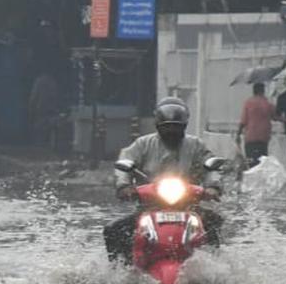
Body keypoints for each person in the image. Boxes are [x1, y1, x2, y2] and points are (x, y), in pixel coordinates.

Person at [103, 98, 223, 263]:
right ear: (158, 126)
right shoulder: (143, 144)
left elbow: (210, 166)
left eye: (176, 127)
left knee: (214, 221)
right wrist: (124, 186)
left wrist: (212, 187)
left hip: (189, 205)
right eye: (167, 127)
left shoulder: (196, 145)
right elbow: (125, 161)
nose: (172, 131)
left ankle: (213, 266)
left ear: (184, 126)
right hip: (149, 205)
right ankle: (120, 268)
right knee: (113, 229)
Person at [238, 82, 275, 167]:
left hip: (250, 138)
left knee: (251, 163)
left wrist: (238, 134)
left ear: (253, 91)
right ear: (263, 91)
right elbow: (275, 116)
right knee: (262, 163)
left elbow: (243, 121)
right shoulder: (267, 104)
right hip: (263, 138)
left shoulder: (248, 103)